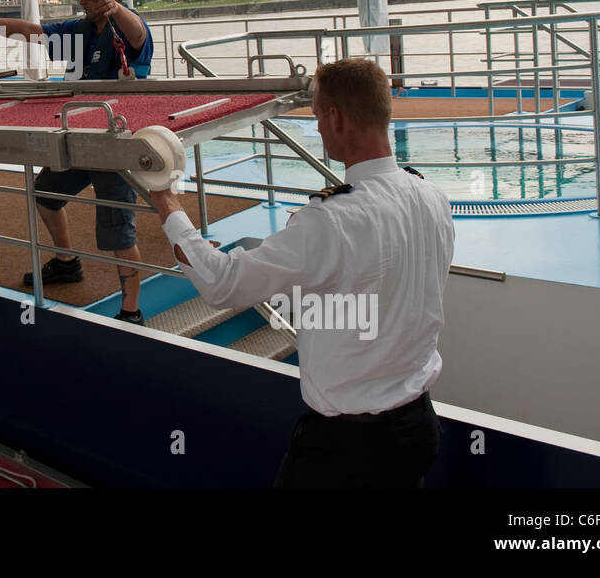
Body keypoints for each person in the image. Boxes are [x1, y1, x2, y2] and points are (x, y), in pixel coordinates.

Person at [146, 58, 454, 487]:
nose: (318, 129)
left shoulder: (330, 219)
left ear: (336, 117)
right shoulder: (432, 197)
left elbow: (222, 284)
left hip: (347, 450)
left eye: (316, 116)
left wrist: (165, 198)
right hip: (418, 428)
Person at [0, 0, 154, 324]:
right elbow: (33, 31)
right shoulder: (78, 31)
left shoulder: (127, 27)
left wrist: (116, 11)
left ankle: (131, 309)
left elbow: (138, 34)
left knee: (118, 228)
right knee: (46, 191)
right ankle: (66, 262)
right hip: (78, 137)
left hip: (115, 141)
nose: (84, 0)